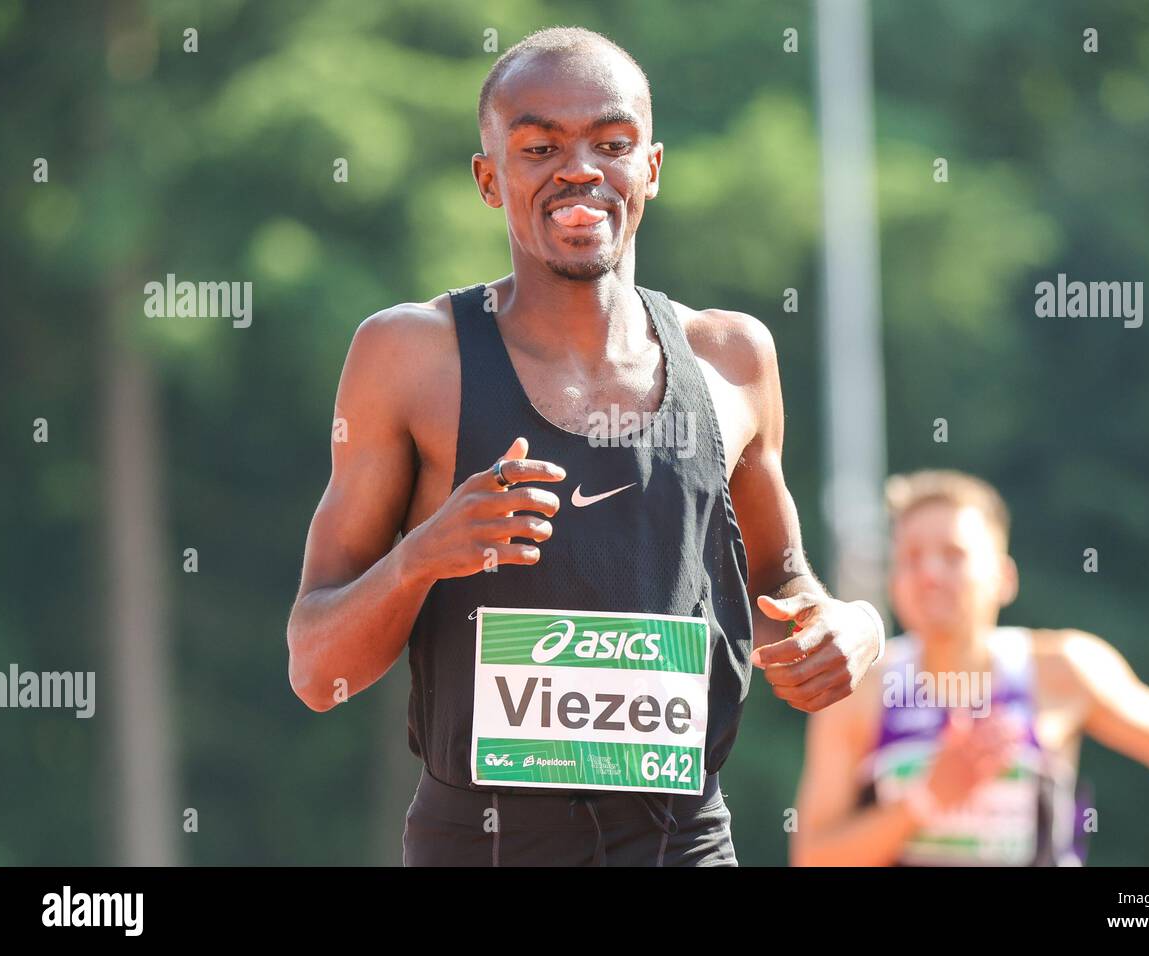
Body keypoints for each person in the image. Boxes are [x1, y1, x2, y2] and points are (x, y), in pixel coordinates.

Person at [284, 26, 884, 866]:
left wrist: (853, 624)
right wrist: (425, 554)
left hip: (682, 843)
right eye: (539, 146)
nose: (579, 170)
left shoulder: (732, 358)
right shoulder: (411, 357)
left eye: (611, 143)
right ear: (490, 179)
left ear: (652, 169)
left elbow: (783, 585)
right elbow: (317, 669)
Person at [791, 469, 1149, 866]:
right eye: (911, 558)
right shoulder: (860, 691)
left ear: (1005, 577)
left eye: (954, 555)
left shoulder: (1061, 669)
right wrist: (926, 799)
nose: (929, 575)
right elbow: (815, 857)